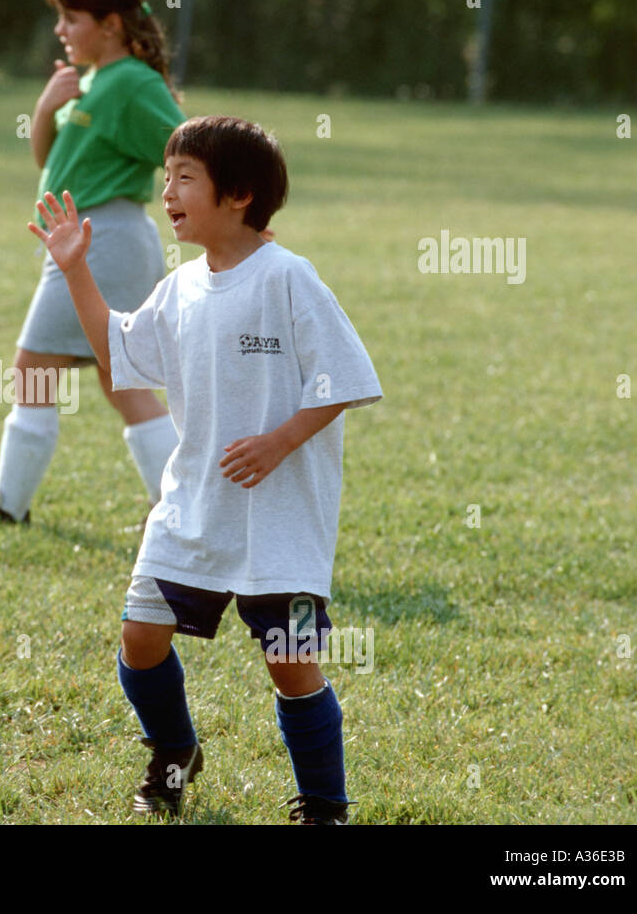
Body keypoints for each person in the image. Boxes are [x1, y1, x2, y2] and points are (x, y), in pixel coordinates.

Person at [28, 115, 383, 823]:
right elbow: (118, 350)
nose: (168, 191)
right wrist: (75, 269)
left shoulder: (288, 277)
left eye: (185, 177)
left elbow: (344, 378)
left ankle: (324, 805)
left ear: (239, 194)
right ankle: (173, 751)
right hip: (192, 506)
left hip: (279, 516)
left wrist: (280, 441)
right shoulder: (182, 286)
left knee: (290, 664)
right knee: (139, 636)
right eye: (166, 177)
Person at [0, 0, 181, 528]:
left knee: (34, 370)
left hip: (106, 239)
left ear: (111, 24)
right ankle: (179, 502)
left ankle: (8, 506)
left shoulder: (131, 83)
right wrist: (48, 105)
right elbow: (54, 163)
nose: (60, 30)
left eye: (71, 18)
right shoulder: (90, 81)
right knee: (119, 378)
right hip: (86, 240)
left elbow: (183, 147)